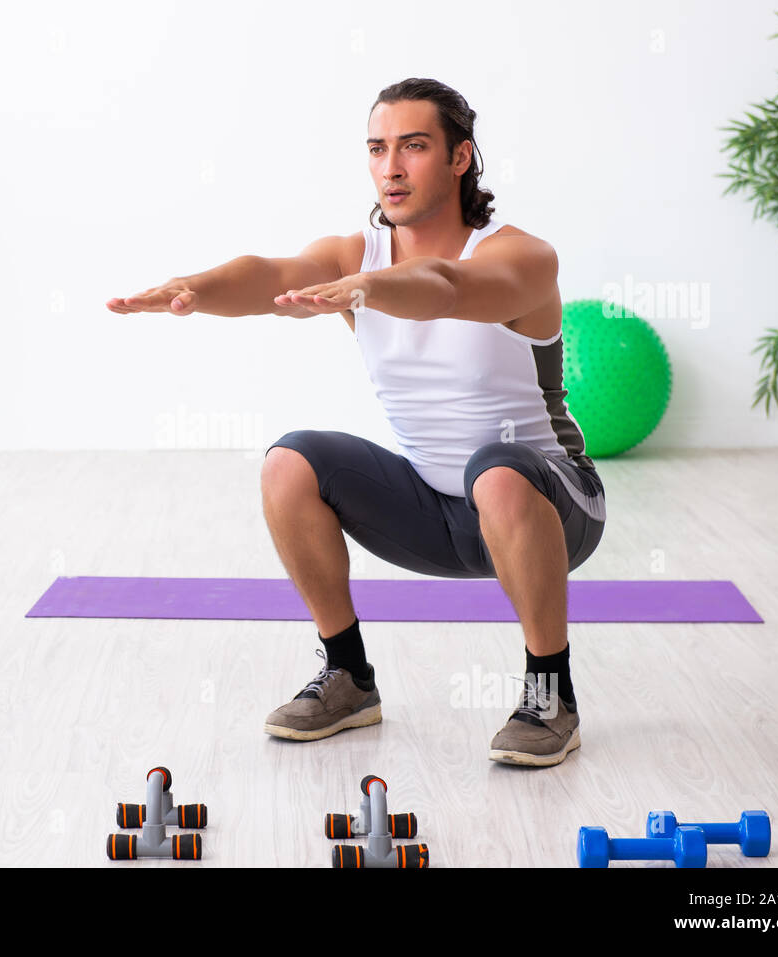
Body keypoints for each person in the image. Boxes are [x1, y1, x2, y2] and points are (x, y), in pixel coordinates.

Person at [106, 78, 605, 767]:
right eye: (377, 148)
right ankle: (348, 676)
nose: (391, 167)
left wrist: (372, 288)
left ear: (461, 158)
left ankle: (552, 693)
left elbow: (450, 290)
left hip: (551, 500)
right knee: (290, 462)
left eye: (415, 146)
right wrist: (194, 286)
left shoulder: (520, 256)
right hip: (435, 511)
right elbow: (272, 275)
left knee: (497, 470)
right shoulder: (355, 257)